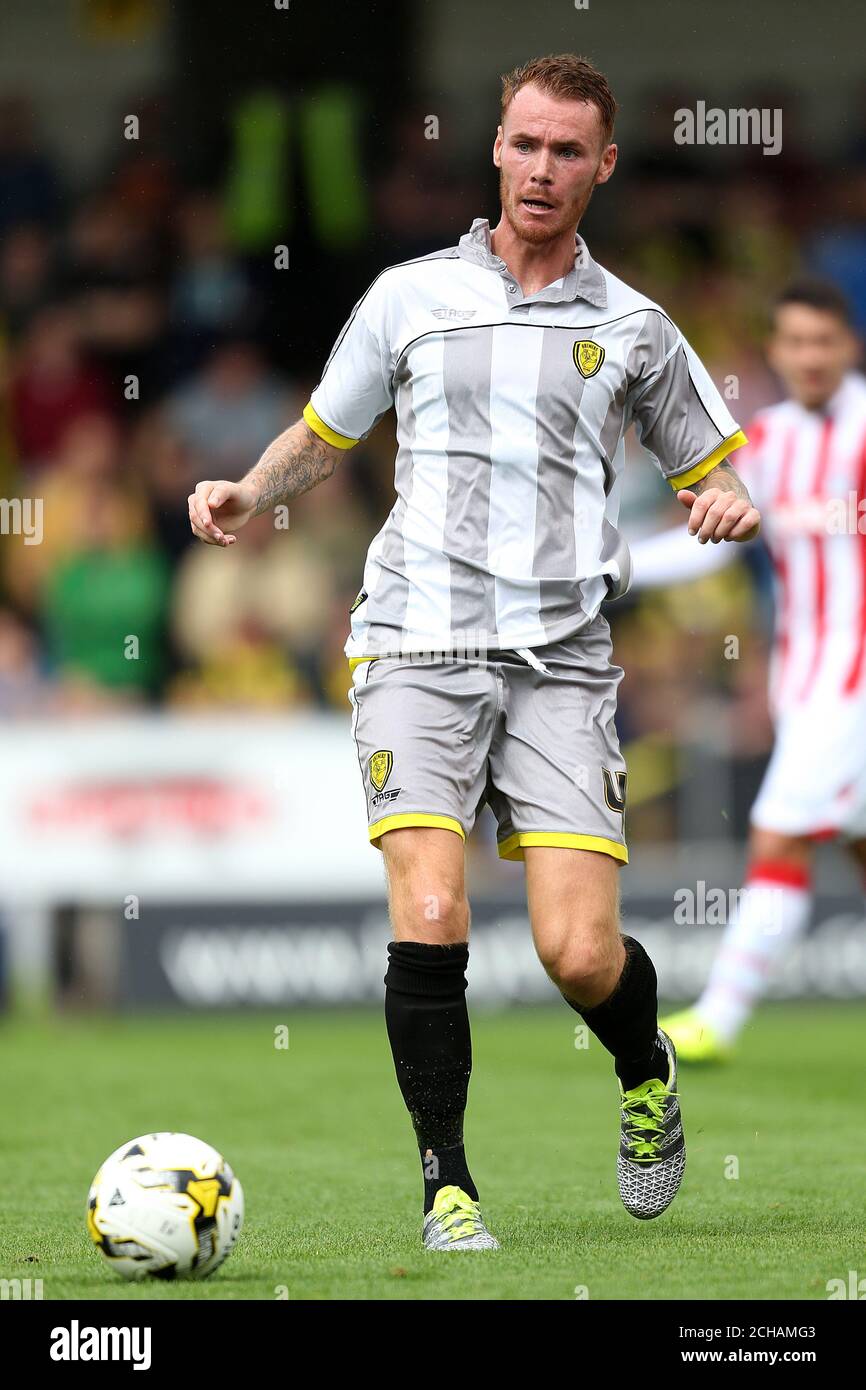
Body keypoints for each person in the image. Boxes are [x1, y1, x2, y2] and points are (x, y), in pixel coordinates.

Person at [188, 54, 760, 1248]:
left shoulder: (634, 327)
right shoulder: (408, 296)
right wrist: (250, 490)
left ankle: (643, 1068)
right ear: (495, 147)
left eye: (567, 151)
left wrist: (722, 502)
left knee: (578, 952)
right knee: (433, 903)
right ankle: (447, 1184)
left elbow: (715, 473)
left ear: (602, 165)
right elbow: (325, 431)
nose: (541, 169)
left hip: (560, 659)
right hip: (413, 642)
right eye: (524, 144)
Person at [629, 279, 866, 1062]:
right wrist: (615, 567)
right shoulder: (766, 441)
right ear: (776, 351)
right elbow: (709, 540)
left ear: (849, 346)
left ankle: (717, 1018)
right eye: (795, 342)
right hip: (802, 678)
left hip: (853, 679)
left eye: (823, 341)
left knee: (778, 832)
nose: (810, 356)